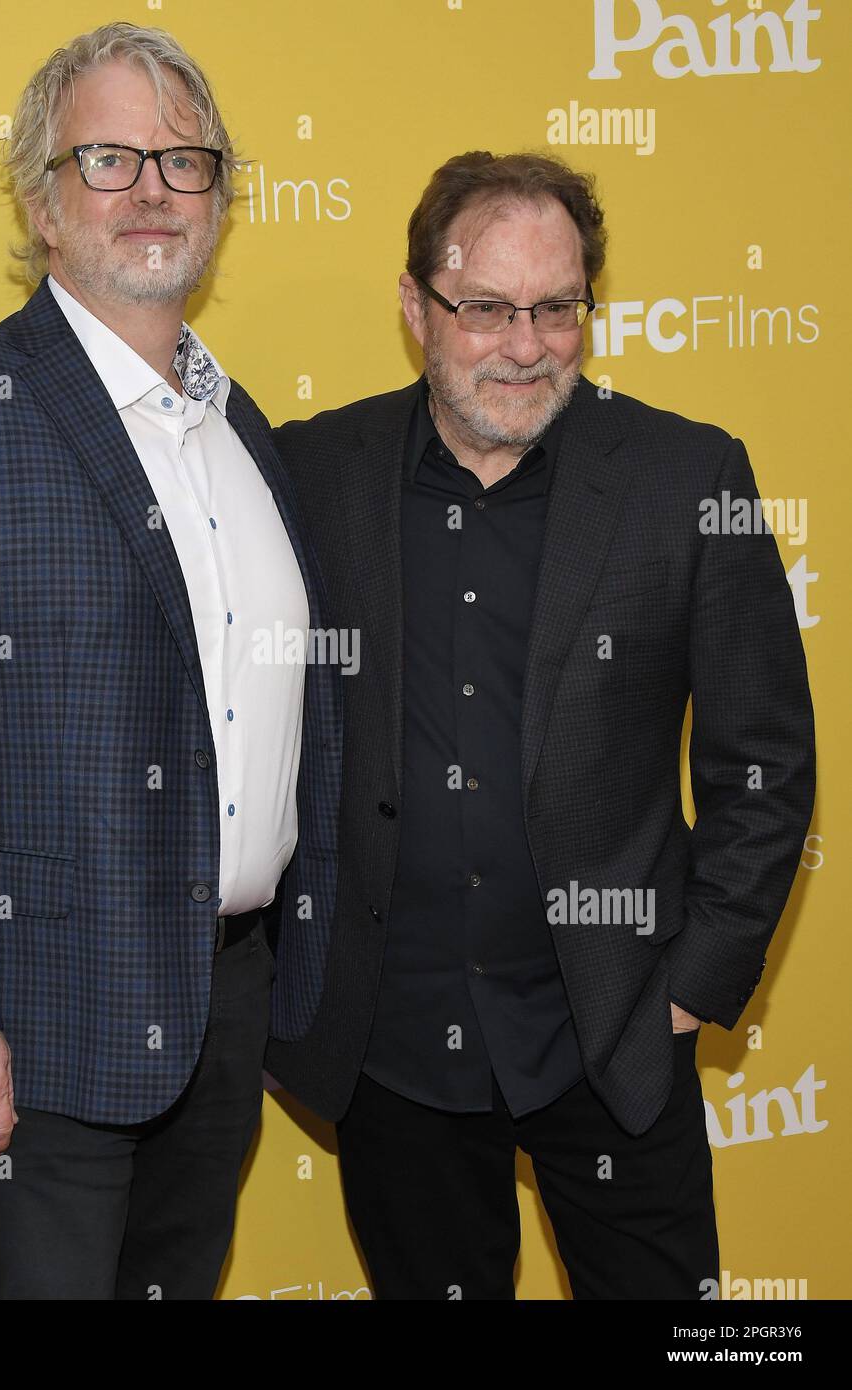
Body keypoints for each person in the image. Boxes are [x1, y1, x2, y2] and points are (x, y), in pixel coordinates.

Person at [0, 21, 339, 1300]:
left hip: (220, 1017)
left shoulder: (240, 433)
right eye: (107, 158)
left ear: (219, 197)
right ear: (43, 204)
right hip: (26, 1041)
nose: (151, 188)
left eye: (184, 160)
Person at [264, 150, 815, 1299]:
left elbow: (760, 759)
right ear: (414, 306)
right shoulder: (313, 473)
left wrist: (688, 982)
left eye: (555, 308)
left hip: (608, 1032)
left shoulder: (684, 478)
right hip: (391, 1044)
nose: (524, 345)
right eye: (484, 309)